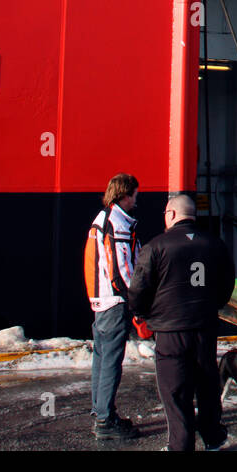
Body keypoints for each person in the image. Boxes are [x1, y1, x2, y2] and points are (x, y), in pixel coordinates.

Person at [129, 194, 236, 452]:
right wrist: (211, 307)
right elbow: (227, 285)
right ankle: (212, 436)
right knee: (207, 383)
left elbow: (138, 290)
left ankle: (181, 444)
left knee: (175, 389)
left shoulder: (155, 247)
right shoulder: (216, 245)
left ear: (172, 215)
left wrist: (145, 314)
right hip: (204, 327)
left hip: (170, 331)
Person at [85, 173, 142, 440]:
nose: (136, 199)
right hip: (114, 303)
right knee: (110, 362)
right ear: (124, 195)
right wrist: (136, 299)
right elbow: (120, 269)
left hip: (101, 302)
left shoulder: (102, 219)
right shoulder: (115, 223)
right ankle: (106, 421)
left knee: (101, 358)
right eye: (134, 194)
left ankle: (100, 413)